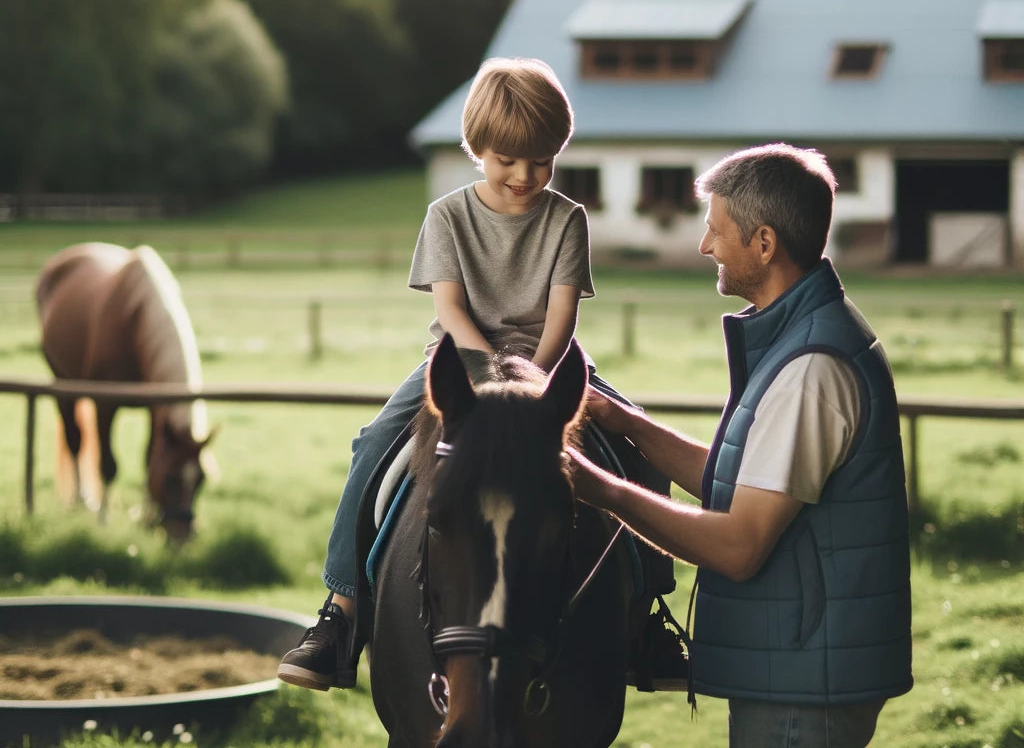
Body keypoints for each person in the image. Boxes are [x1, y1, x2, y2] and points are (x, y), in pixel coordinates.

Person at [277, 56, 687, 693]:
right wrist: (482, 366)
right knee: (372, 447)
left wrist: (537, 375)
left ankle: (645, 618)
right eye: (508, 160)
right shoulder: (447, 216)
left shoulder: (567, 219)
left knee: (640, 448)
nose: (525, 175)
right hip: (458, 363)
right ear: (476, 148)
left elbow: (562, 315)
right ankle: (342, 613)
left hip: (546, 366)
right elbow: (449, 308)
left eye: (541, 160)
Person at [567, 143, 913, 748]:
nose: (704, 247)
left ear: (763, 243)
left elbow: (739, 546)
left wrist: (601, 490)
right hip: (798, 674)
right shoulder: (802, 337)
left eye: (715, 230)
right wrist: (633, 428)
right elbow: (743, 483)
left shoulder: (811, 369)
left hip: (803, 693)